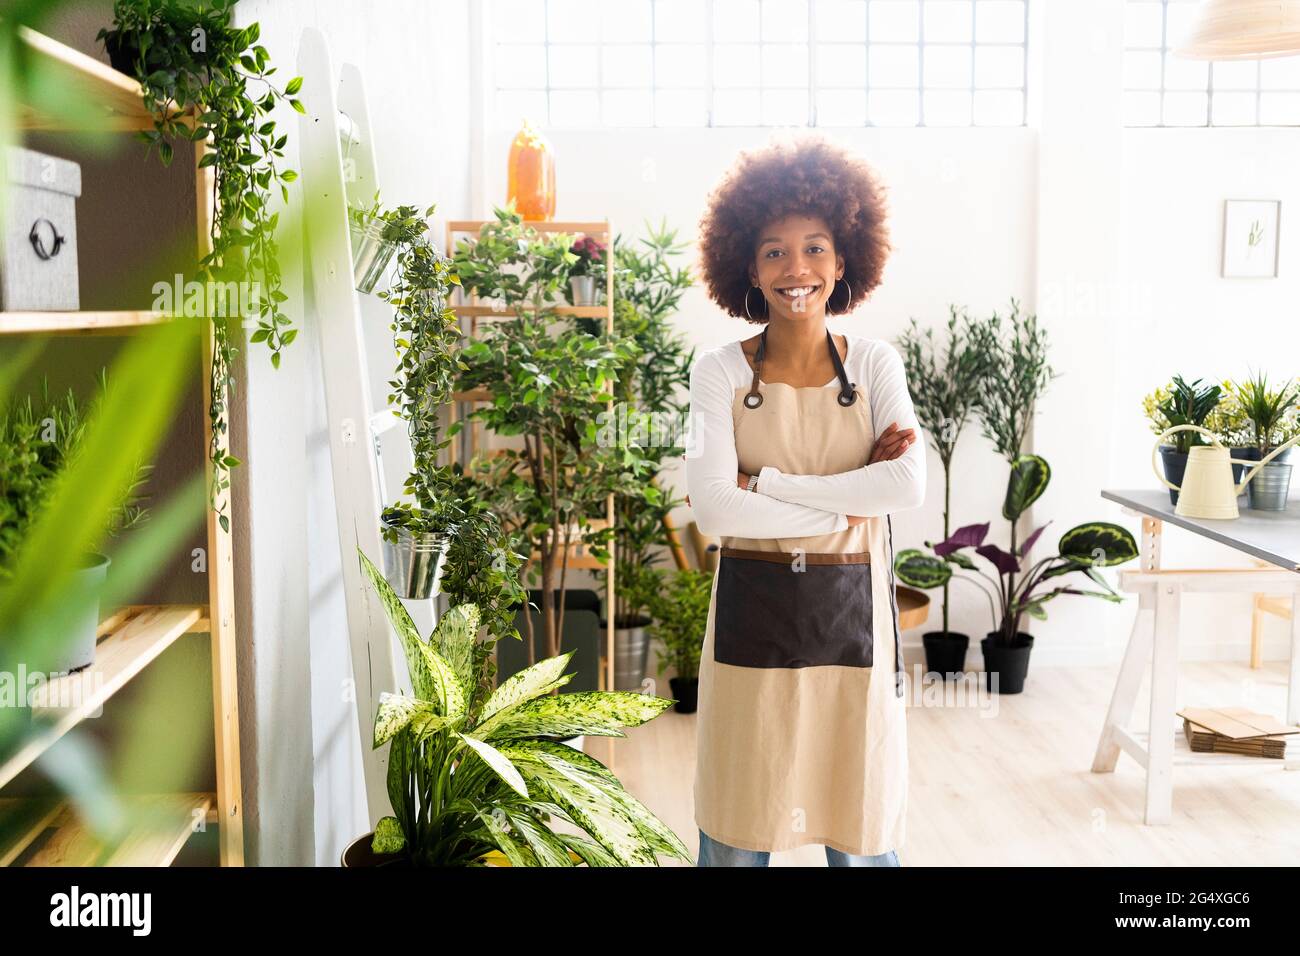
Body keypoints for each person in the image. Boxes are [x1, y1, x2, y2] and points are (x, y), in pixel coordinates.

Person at [684, 135, 926, 867]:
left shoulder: (878, 363)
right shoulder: (715, 374)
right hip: (749, 641)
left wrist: (775, 488)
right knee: (737, 832)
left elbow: (906, 486)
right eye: (774, 252)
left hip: (852, 635)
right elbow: (717, 512)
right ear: (748, 270)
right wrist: (848, 504)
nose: (797, 270)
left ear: (844, 260)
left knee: (860, 829)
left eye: (815, 248)